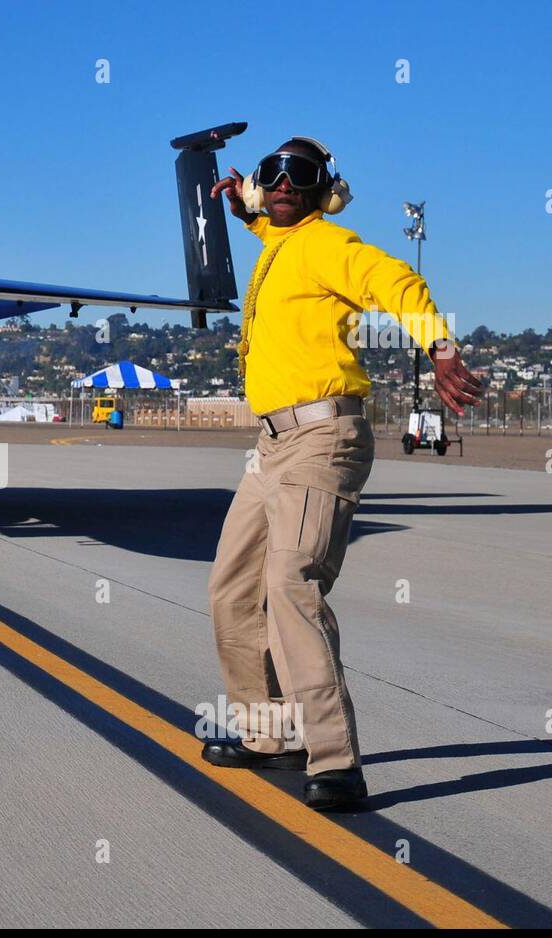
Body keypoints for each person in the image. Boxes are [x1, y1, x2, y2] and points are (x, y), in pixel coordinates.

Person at [201, 137, 482, 810]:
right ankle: (269, 735)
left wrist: (439, 346)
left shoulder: (327, 243)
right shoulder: (277, 242)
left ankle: (336, 762)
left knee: (291, 585)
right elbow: (264, 214)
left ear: (324, 187)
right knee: (231, 592)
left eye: (299, 174)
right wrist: (243, 198)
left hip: (323, 438)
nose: (282, 182)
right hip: (271, 445)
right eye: (274, 172)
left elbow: (397, 282)